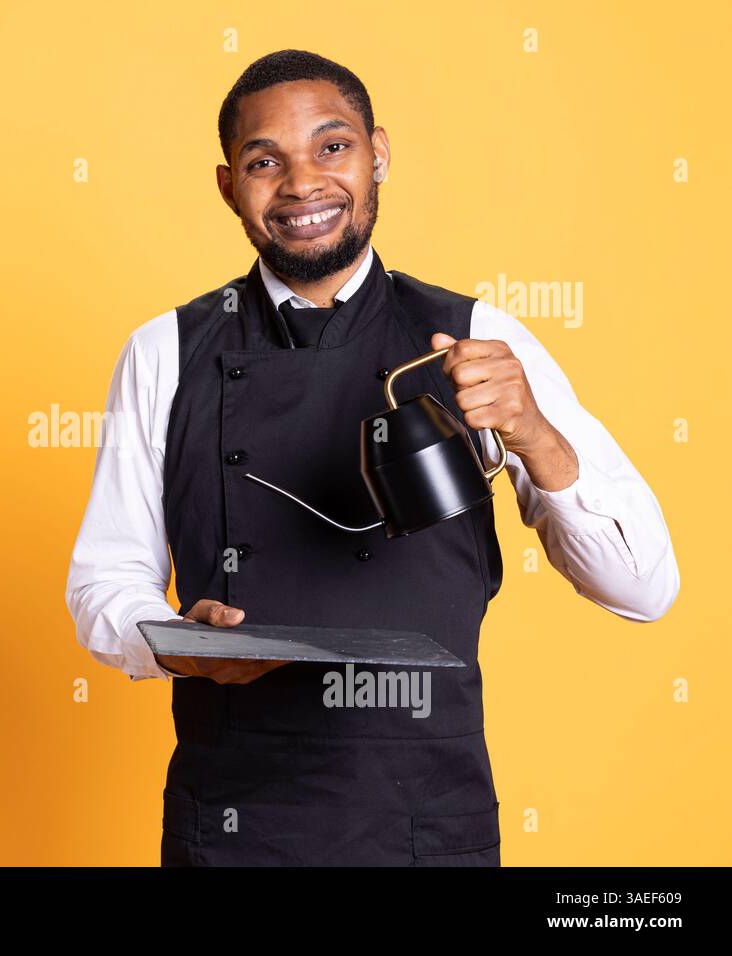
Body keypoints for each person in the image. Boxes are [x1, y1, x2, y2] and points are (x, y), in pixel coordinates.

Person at [64, 49, 679, 866]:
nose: (302, 184)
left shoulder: (479, 337)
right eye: (263, 161)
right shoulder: (165, 352)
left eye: (332, 147)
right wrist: (172, 639)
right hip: (234, 824)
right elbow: (103, 583)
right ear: (227, 186)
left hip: (428, 819)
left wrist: (536, 433)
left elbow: (646, 591)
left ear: (377, 153)